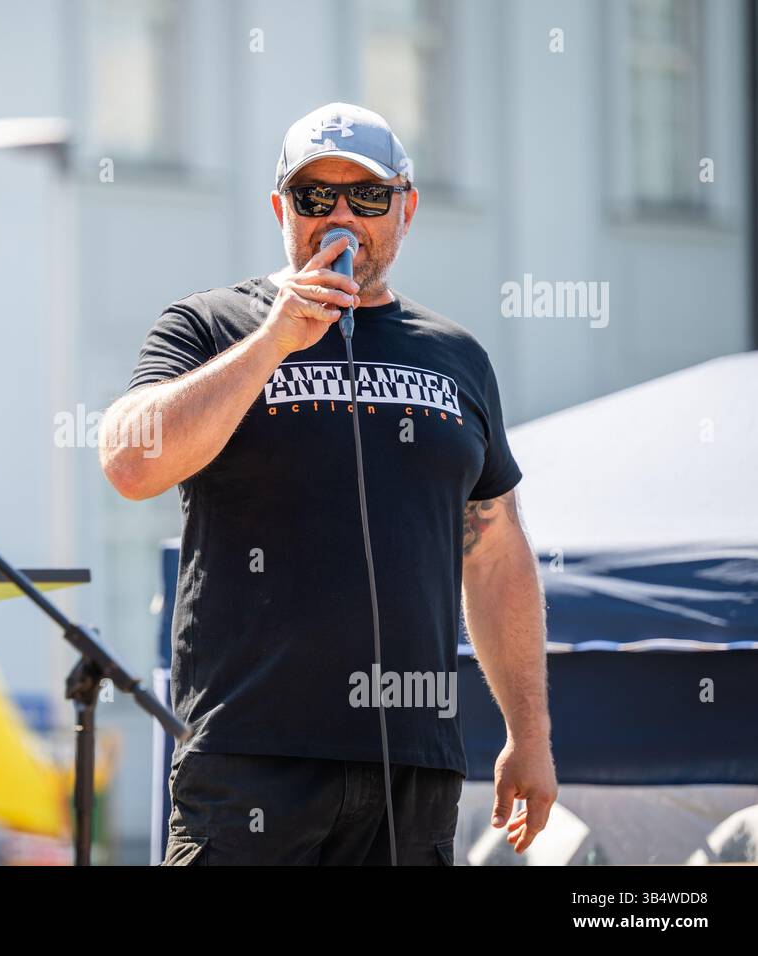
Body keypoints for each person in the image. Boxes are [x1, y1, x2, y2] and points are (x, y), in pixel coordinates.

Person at [100, 103, 557, 865]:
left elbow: (496, 551)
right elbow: (128, 462)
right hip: (250, 759)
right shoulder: (211, 326)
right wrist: (275, 339)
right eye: (315, 197)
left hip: (411, 764)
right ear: (282, 209)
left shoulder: (457, 356)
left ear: (405, 209)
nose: (339, 215)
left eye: (366, 197)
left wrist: (530, 735)